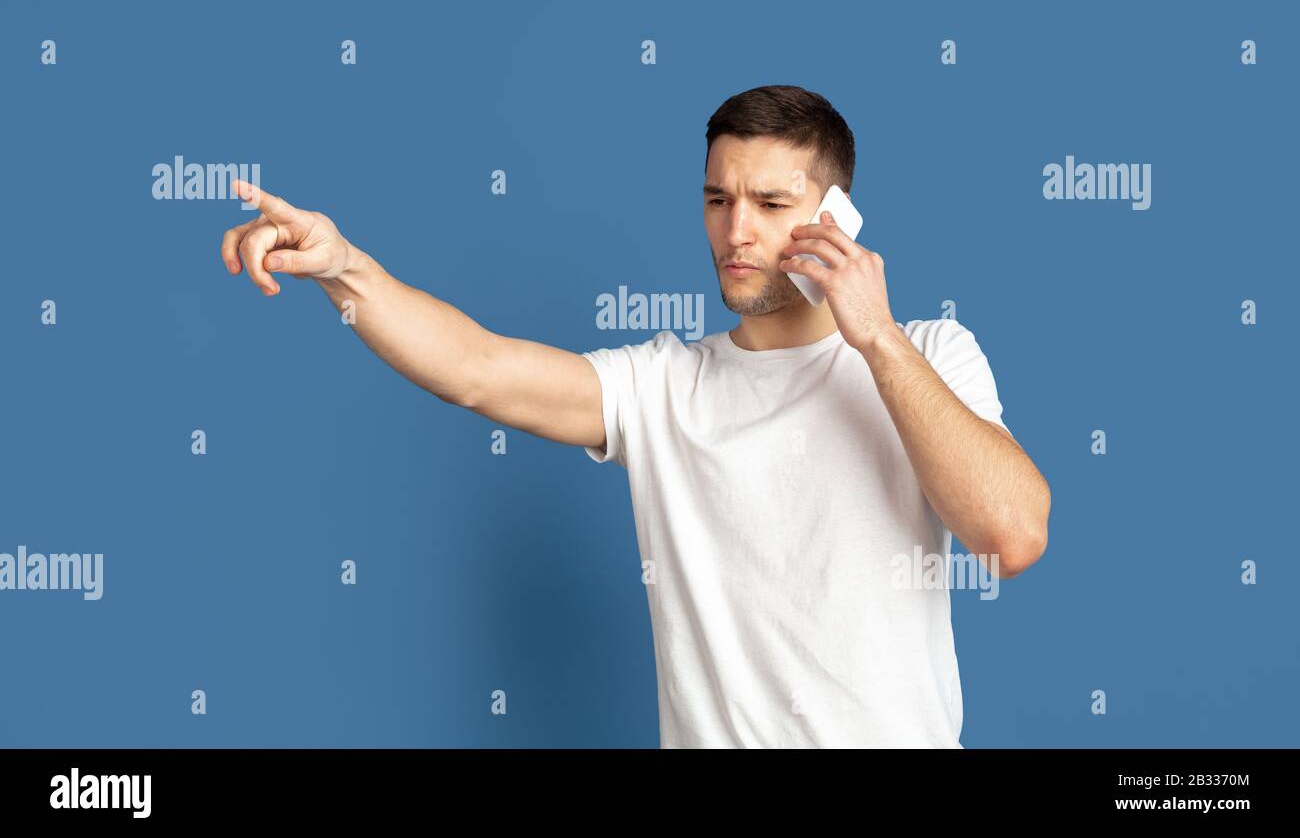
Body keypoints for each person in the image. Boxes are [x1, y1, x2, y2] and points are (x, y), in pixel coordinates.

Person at [219, 84, 1050, 748]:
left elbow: (1010, 535)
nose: (736, 230)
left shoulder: (931, 353)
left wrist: (876, 340)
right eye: (718, 199)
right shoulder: (665, 386)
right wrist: (344, 269)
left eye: (768, 203)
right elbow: (476, 370)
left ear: (835, 217)